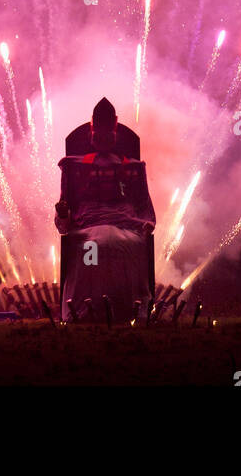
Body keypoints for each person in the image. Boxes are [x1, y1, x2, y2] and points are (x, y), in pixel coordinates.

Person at [54, 98, 155, 321]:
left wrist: (146, 222)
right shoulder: (74, 167)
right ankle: (87, 309)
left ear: (115, 127)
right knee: (95, 245)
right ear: (92, 128)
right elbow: (66, 210)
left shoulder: (133, 168)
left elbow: (144, 206)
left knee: (126, 244)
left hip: (126, 222)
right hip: (89, 223)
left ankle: (127, 308)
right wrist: (63, 215)